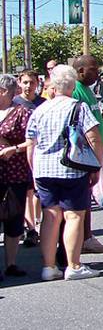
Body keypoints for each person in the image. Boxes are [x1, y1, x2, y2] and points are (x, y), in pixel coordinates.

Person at [25, 65, 103, 281]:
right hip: (71, 168)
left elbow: (31, 144)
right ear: (71, 85)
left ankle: (49, 267)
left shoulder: (40, 109)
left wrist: (34, 169)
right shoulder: (77, 107)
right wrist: (97, 165)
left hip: (43, 169)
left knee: (50, 216)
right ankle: (74, 265)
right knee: (74, 215)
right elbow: (94, 137)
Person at [71, 54, 103, 254]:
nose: (97, 73)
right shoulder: (76, 91)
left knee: (87, 199)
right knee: (83, 200)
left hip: (95, 152)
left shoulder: (88, 90)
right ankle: (84, 238)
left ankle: (86, 236)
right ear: (80, 71)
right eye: (94, 69)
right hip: (85, 155)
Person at [0, 74, 33, 280]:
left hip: (14, 173)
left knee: (13, 219)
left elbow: (31, 140)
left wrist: (14, 149)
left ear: (4, 91)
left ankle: (11, 264)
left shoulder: (22, 113)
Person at [14, 69, 44, 247]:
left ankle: (38, 223)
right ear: (19, 83)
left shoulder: (42, 103)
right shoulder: (15, 103)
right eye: (25, 82)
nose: (28, 86)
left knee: (37, 192)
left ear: (37, 83)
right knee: (27, 192)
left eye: (31, 82)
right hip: (20, 154)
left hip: (40, 152)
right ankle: (30, 228)